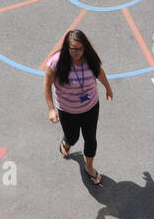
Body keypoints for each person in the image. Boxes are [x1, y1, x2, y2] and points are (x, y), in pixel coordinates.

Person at [44, 29, 113, 186]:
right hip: (68, 110)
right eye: (74, 48)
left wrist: (108, 88)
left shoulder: (89, 58)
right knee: (73, 137)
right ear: (67, 48)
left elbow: (99, 72)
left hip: (90, 106)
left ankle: (89, 167)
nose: (77, 52)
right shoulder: (57, 62)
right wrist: (51, 109)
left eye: (81, 48)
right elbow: (47, 85)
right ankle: (66, 142)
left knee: (90, 138)